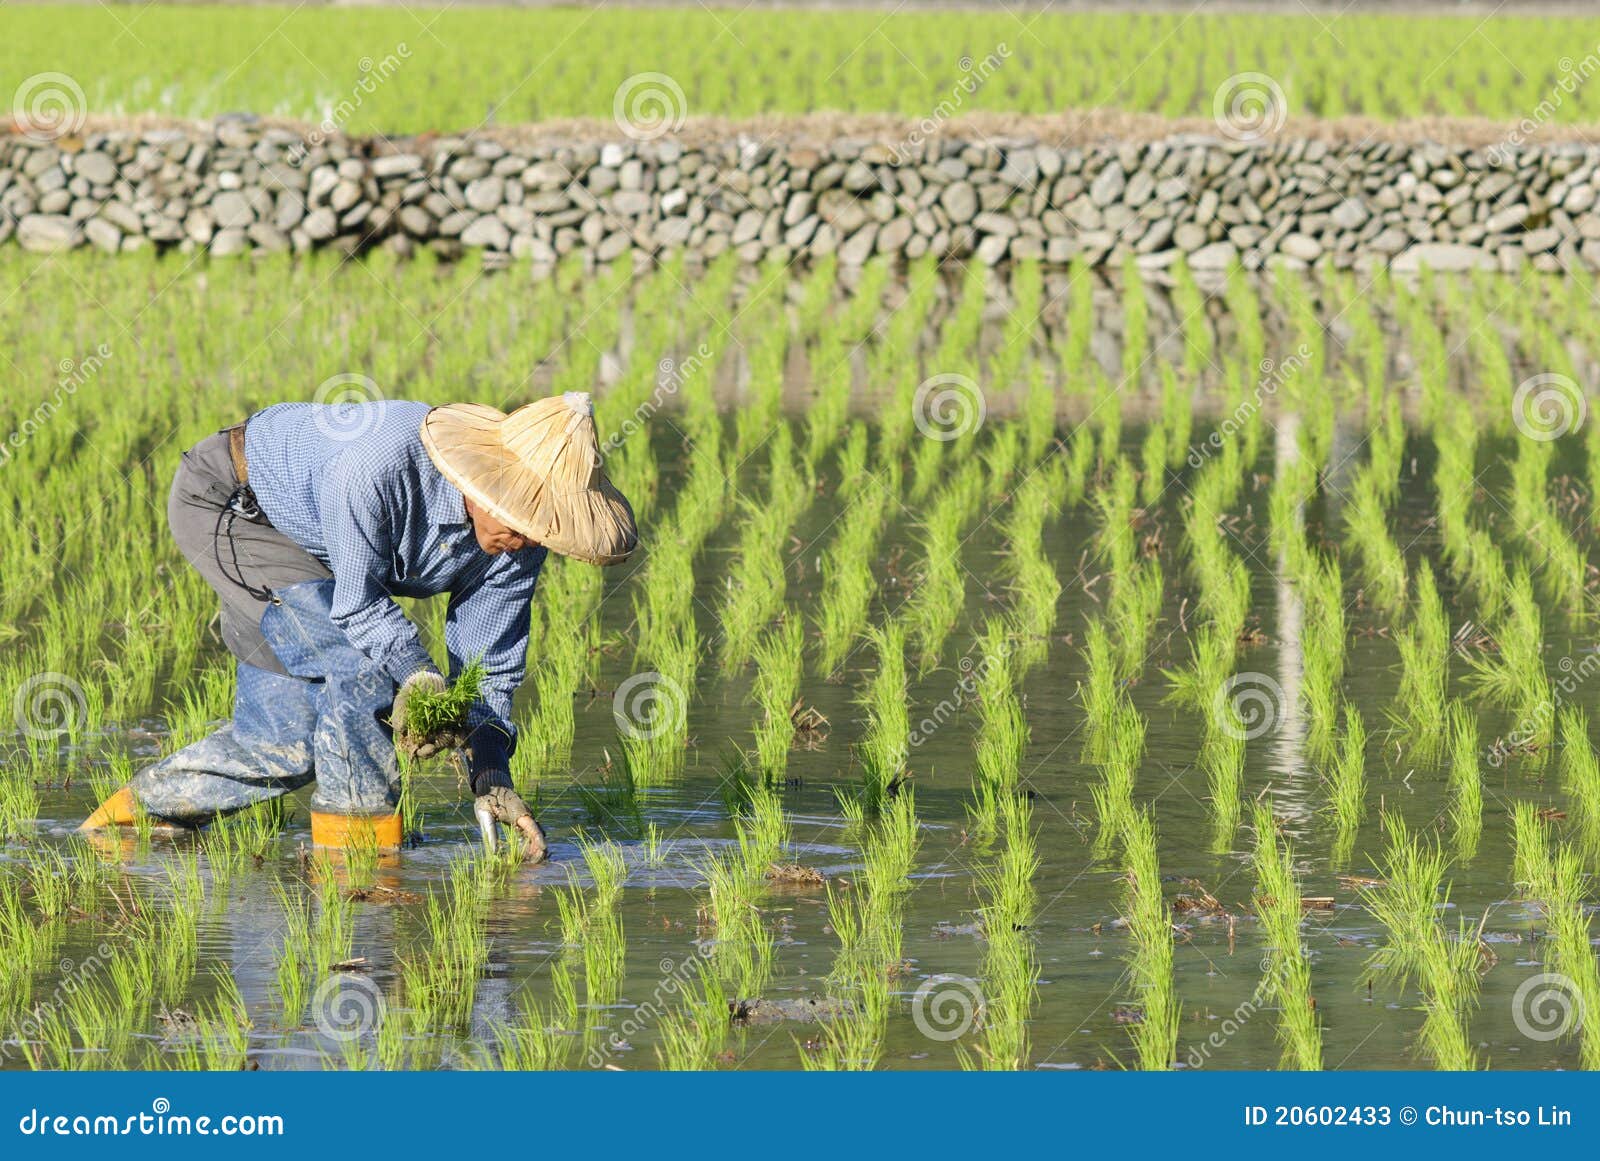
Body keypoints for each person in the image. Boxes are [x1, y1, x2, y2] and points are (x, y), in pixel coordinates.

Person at [80, 390, 637, 860]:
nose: (524, 540)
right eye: (517, 518)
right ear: (478, 482)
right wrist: (421, 681)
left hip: (319, 547)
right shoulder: (379, 467)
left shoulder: (521, 544)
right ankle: (361, 859)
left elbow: (489, 657)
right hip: (240, 510)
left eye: (542, 528)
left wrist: (490, 771)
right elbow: (360, 607)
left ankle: (128, 818)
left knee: (283, 745)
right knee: (366, 669)